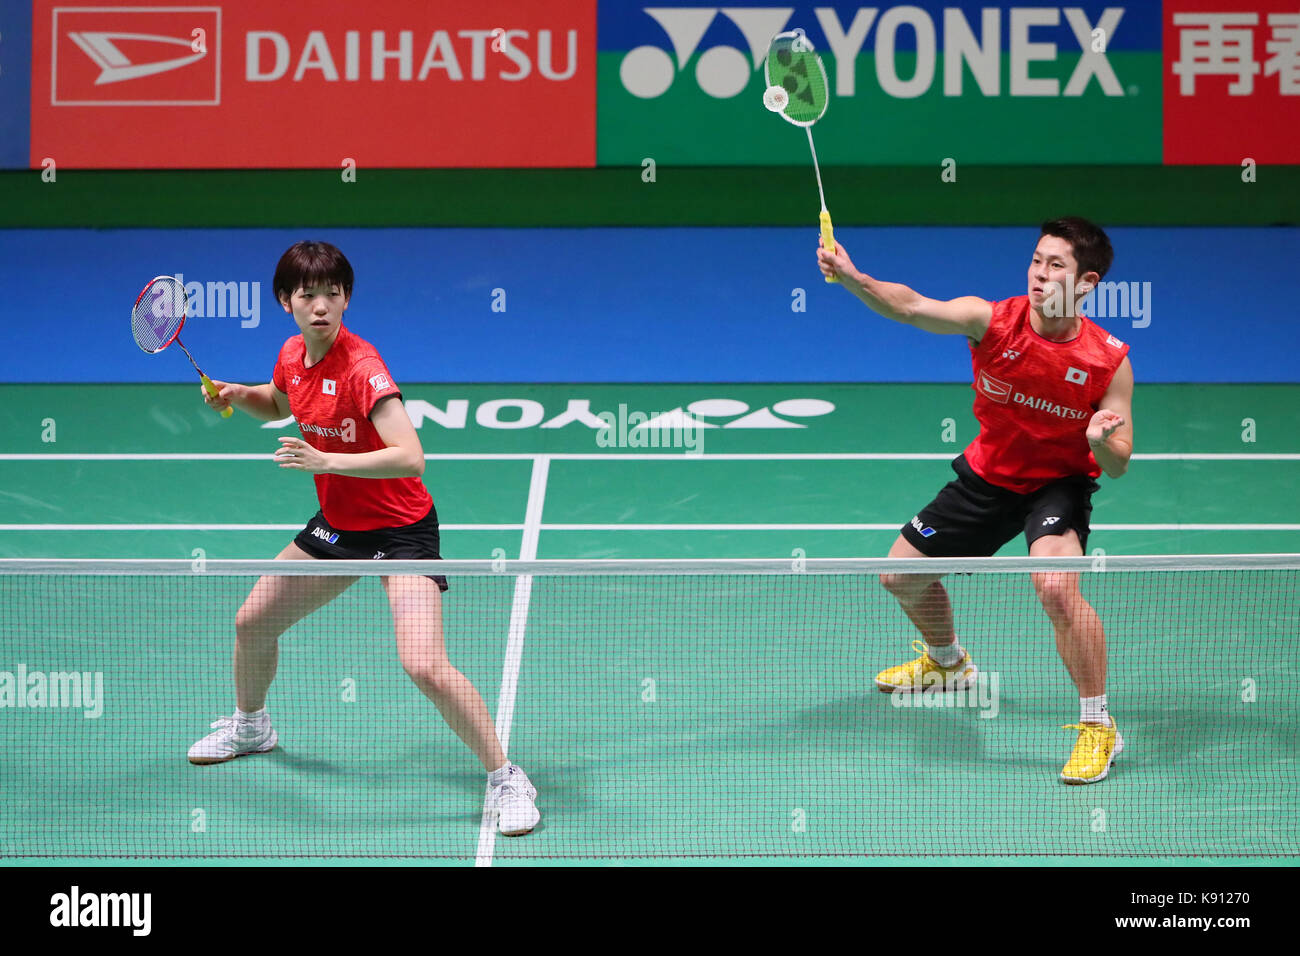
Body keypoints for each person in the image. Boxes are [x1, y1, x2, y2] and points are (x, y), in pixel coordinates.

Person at [187, 240, 540, 835]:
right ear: (286, 302)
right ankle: (252, 725)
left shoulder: (362, 368)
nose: (321, 306)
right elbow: (277, 401)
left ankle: (506, 777)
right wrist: (235, 394)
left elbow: (411, 457)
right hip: (339, 529)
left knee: (423, 663)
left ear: (347, 298)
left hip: (401, 533)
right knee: (252, 622)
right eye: (308, 295)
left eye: (332, 294)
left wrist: (326, 462)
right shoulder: (292, 355)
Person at [817, 217, 1134, 784]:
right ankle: (948, 664)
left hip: (1055, 485)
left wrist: (1100, 441)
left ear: (1086, 282)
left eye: (1055, 265)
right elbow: (911, 306)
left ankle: (1098, 725)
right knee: (899, 577)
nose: (1039, 274)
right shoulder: (991, 320)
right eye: (1036, 260)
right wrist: (852, 277)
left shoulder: (1107, 361)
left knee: (1057, 588)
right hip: (989, 478)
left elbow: (1119, 462)